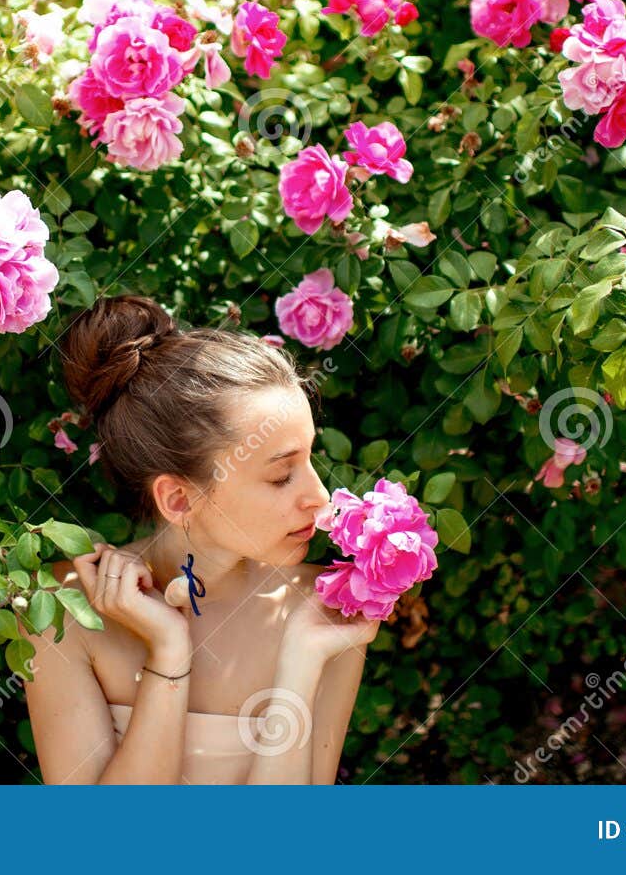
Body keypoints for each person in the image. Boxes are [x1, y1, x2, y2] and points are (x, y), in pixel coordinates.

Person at [22, 294, 382, 784]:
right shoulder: (63, 611)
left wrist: (301, 662)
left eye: (310, 459)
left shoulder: (325, 611)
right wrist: (168, 653)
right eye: (281, 476)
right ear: (177, 500)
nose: (320, 498)